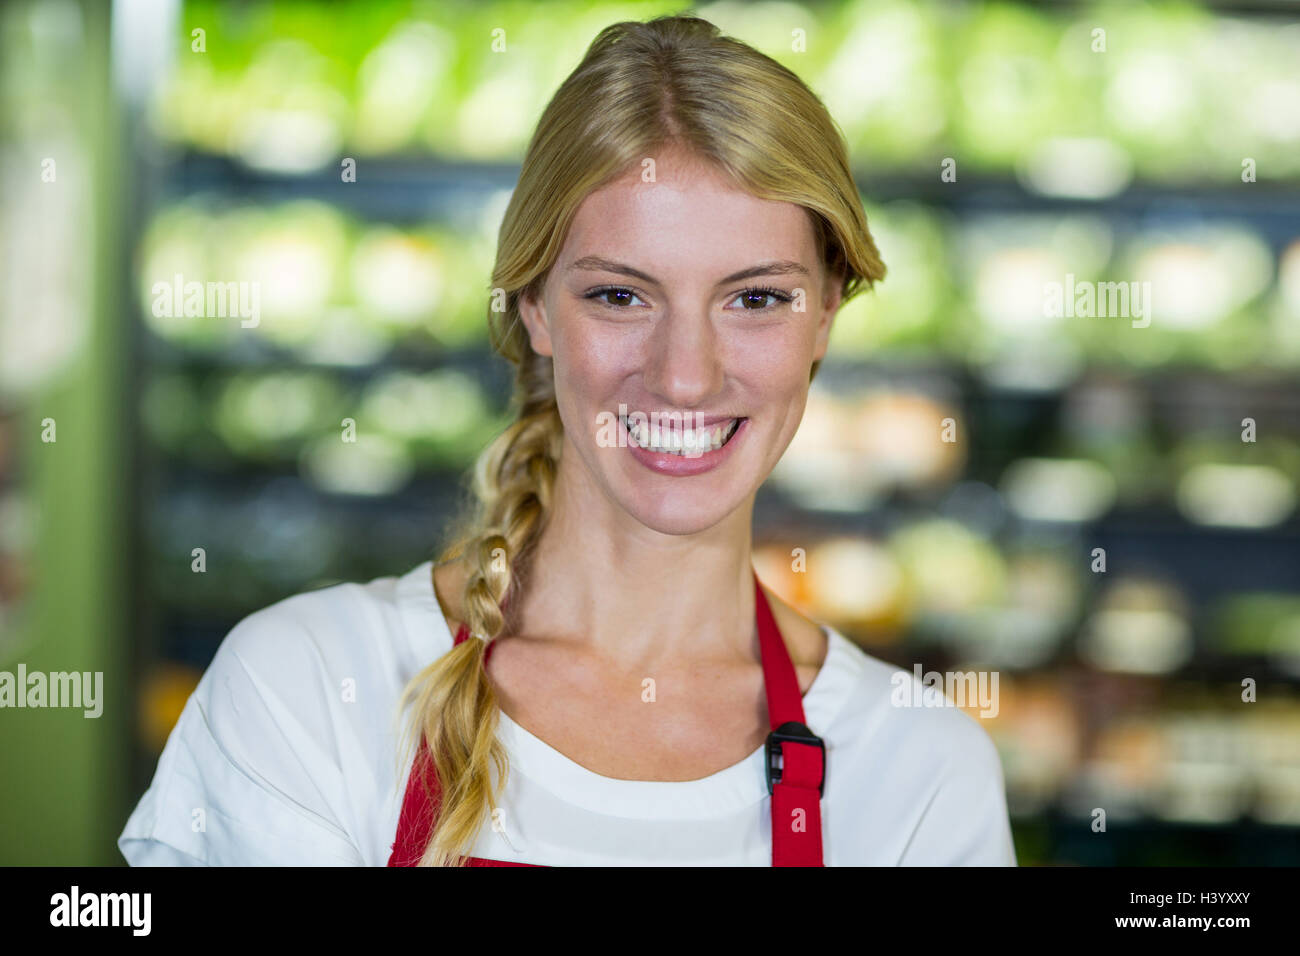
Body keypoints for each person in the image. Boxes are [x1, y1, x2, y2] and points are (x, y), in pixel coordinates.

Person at [118, 13, 1016, 866]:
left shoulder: (920, 776)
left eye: (756, 298)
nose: (685, 376)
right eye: (620, 295)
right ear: (534, 306)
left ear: (826, 313)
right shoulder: (309, 690)